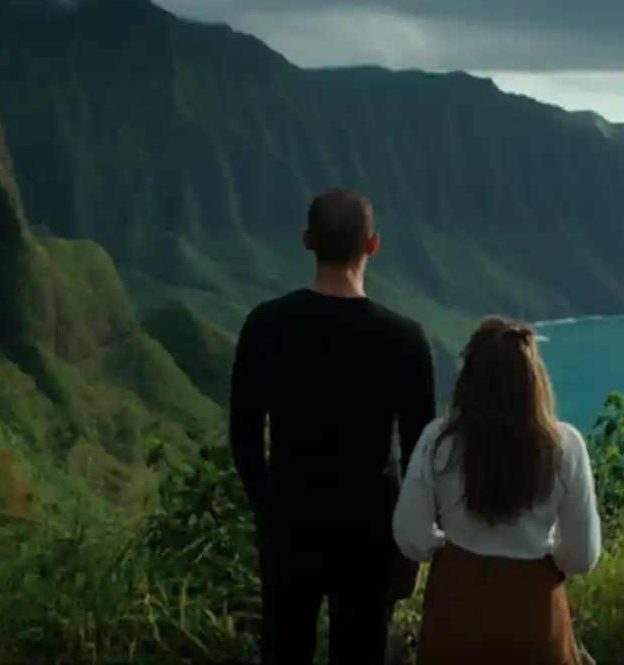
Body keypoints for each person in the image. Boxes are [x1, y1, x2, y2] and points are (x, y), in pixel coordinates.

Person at [230, 188, 436, 665]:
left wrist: (268, 509)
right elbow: (420, 452)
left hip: (290, 522)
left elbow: (243, 437)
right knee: (361, 651)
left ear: (307, 241)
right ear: (373, 245)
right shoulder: (404, 339)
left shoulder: (264, 326)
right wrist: (410, 546)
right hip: (370, 533)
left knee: (284, 649)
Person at [392, 317, 602, 665]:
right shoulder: (565, 446)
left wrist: (449, 550)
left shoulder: (438, 440)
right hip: (534, 613)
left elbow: (410, 535)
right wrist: (544, 552)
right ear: (535, 380)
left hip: (455, 606)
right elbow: (581, 557)